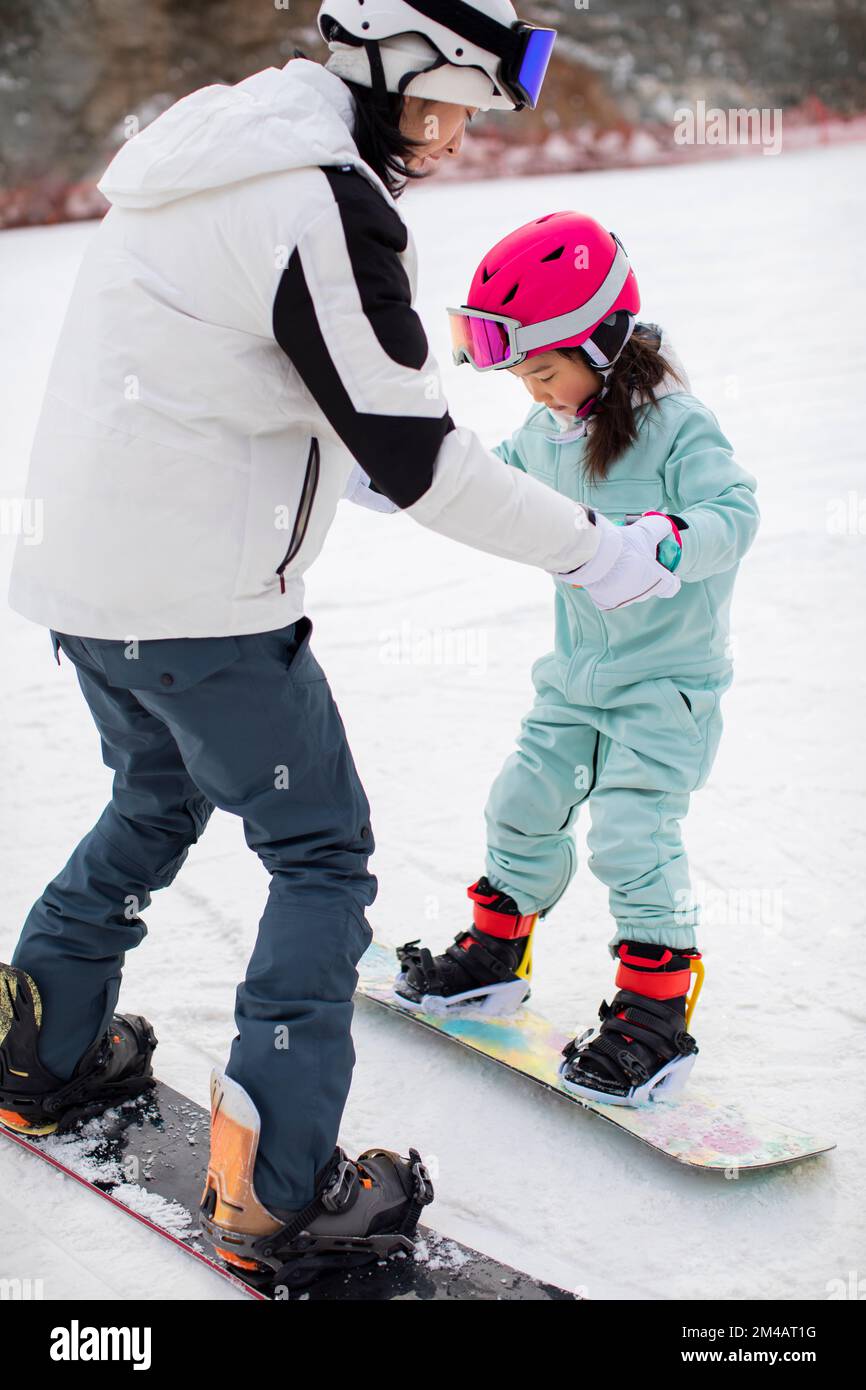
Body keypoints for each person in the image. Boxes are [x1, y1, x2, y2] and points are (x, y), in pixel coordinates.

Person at [0, 2, 681, 1284]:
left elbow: (234, 360)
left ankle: (37, 1040)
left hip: (85, 589)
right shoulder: (321, 195)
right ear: (379, 78)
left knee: (152, 794)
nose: (451, 141)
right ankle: (277, 1191)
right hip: (200, 607)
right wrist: (596, 548)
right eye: (439, 110)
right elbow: (420, 455)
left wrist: (345, 450)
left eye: (466, 119)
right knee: (319, 855)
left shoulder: (212, 148)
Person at [396, 210, 760, 1106]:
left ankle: (653, 1014)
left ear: (602, 344)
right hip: (574, 681)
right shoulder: (550, 432)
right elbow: (496, 488)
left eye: (544, 369)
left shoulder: (676, 425)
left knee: (634, 837)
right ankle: (494, 952)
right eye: (520, 374)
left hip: (665, 687)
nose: (534, 390)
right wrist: (403, 473)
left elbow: (738, 513)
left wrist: (669, 539)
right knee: (521, 803)